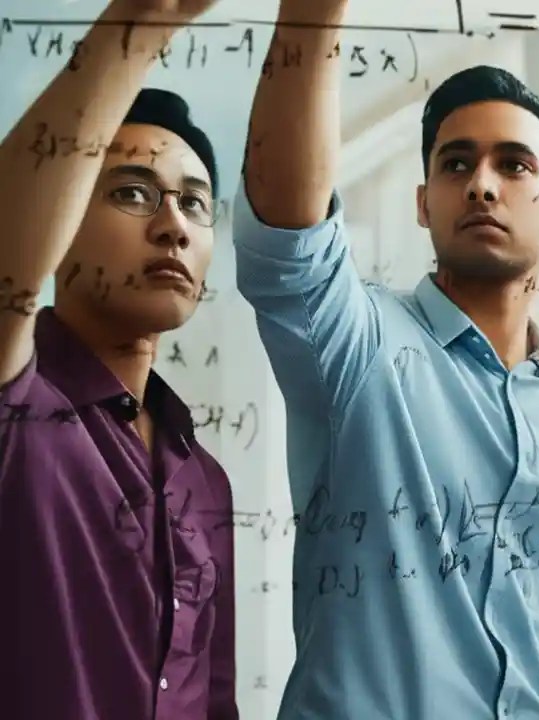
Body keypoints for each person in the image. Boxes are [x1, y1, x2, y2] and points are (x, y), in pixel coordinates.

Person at [233, 2, 539, 718]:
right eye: (456, 163)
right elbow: (286, 244)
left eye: (514, 165)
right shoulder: (359, 343)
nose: (482, 183)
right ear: (424, 202)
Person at [0, 3, 236, 719]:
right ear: (65, 217)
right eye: (133, 193)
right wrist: (139, 21)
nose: (173, 225)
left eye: (196, 205)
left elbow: (213, 701)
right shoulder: (20, 404)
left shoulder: (205, 478)